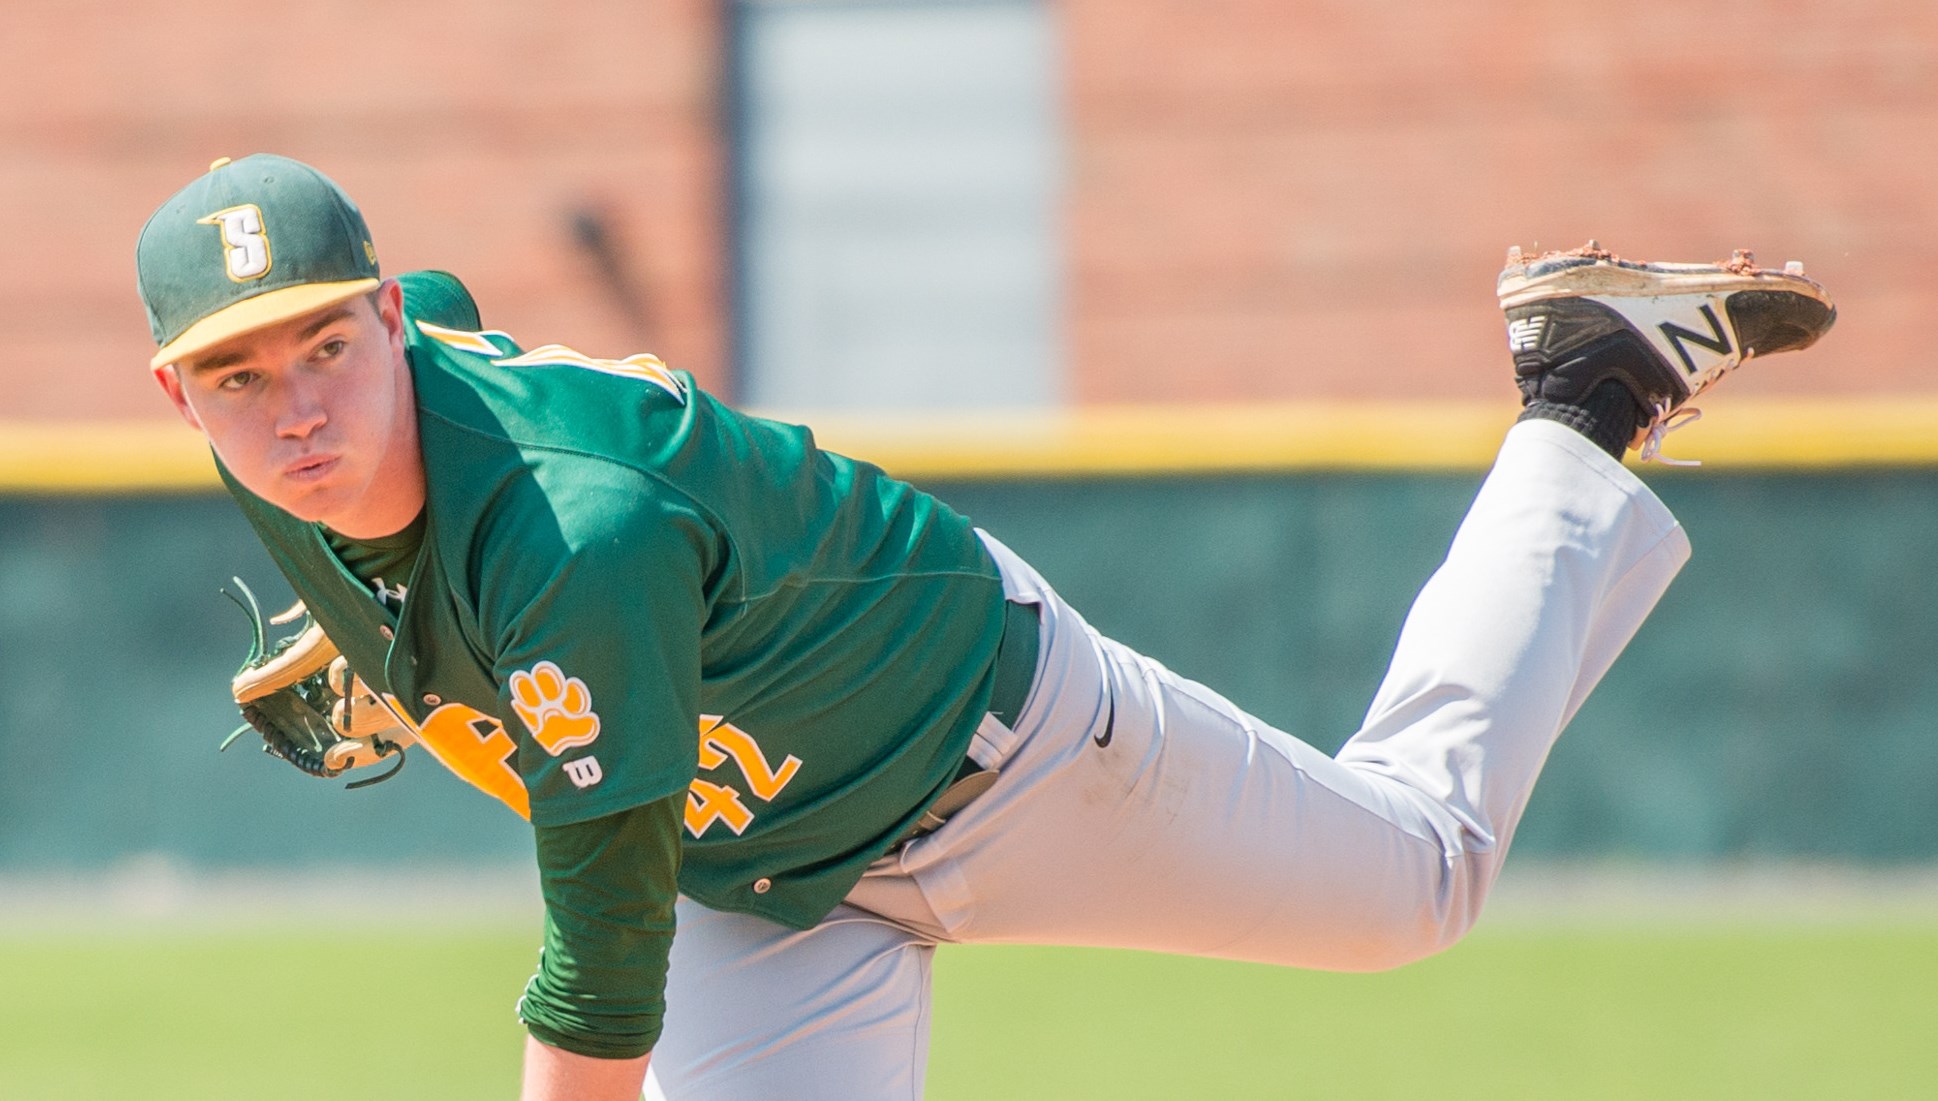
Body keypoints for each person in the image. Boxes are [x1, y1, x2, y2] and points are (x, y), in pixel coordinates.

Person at [138, 154, 1834, 1100]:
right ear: (174, 390)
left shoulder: (575, 536)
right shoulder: (327, 437)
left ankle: (1584, 385)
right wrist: (394, 616)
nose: (294, 408)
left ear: (374, 319)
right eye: (238, 372)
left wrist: (470, 654)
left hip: (999, 751)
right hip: (770, 886)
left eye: (324, 347)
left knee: (1416, 880)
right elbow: (452, 321)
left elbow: (597, 978)